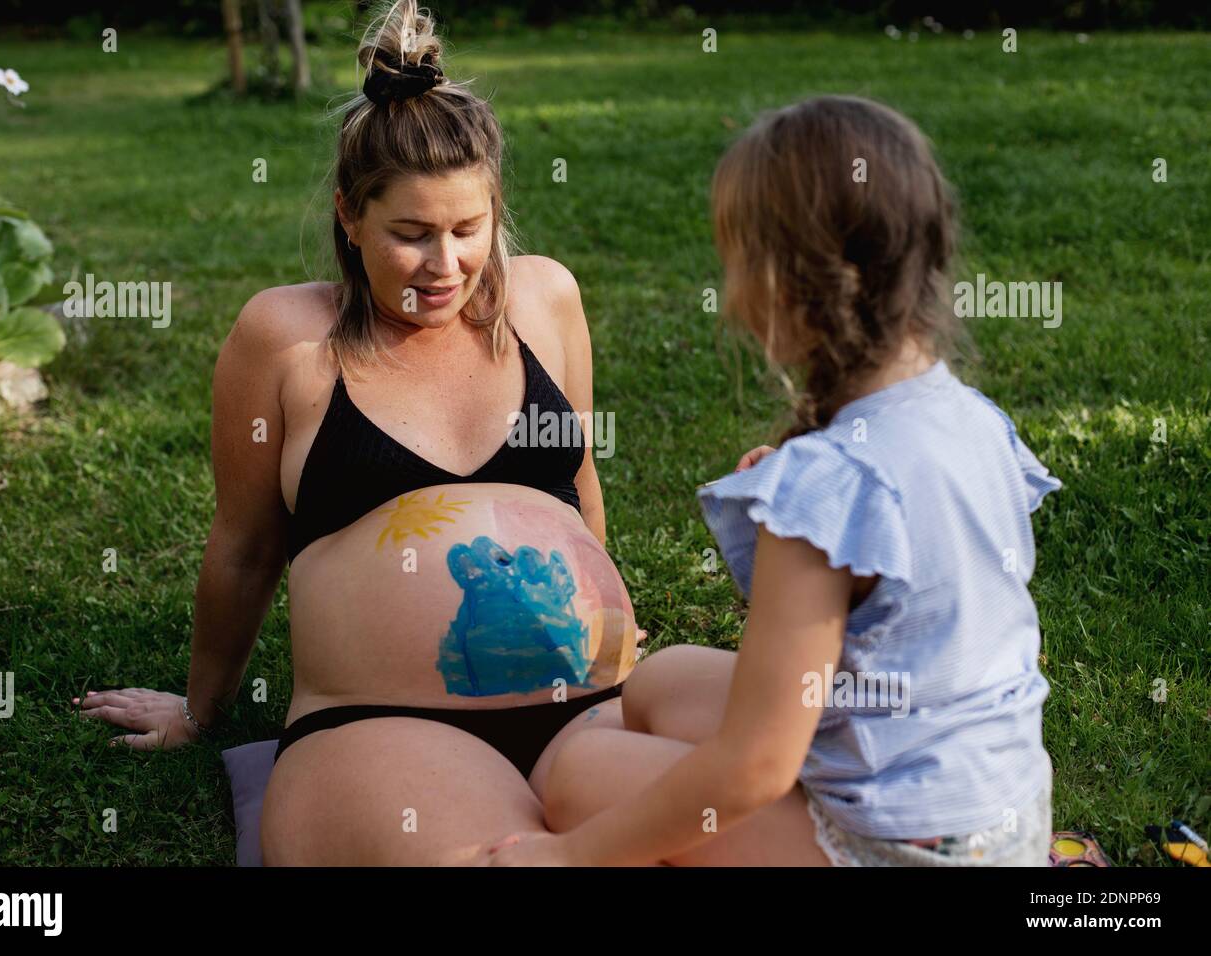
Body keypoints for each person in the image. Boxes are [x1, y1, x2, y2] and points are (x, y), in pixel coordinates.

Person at [74, 0, 641, 866]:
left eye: (467, 230)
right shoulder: (284, 340)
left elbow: (576, 493)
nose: (445, 266)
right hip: (384, 726)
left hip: (588, 703)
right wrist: (200, 708)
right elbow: (243, 547)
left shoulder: (547, 299)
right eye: (410, 235)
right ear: (349, 215)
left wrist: (607, 635)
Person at [486, 95, 1058, 866]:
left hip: (898, 847)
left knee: (580, 774)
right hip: (999, 814)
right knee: (662, 683)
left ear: (788, 283)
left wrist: (567, 856)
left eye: (734, 259)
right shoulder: (971, 419)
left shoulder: (824, 487)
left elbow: (755, 766)